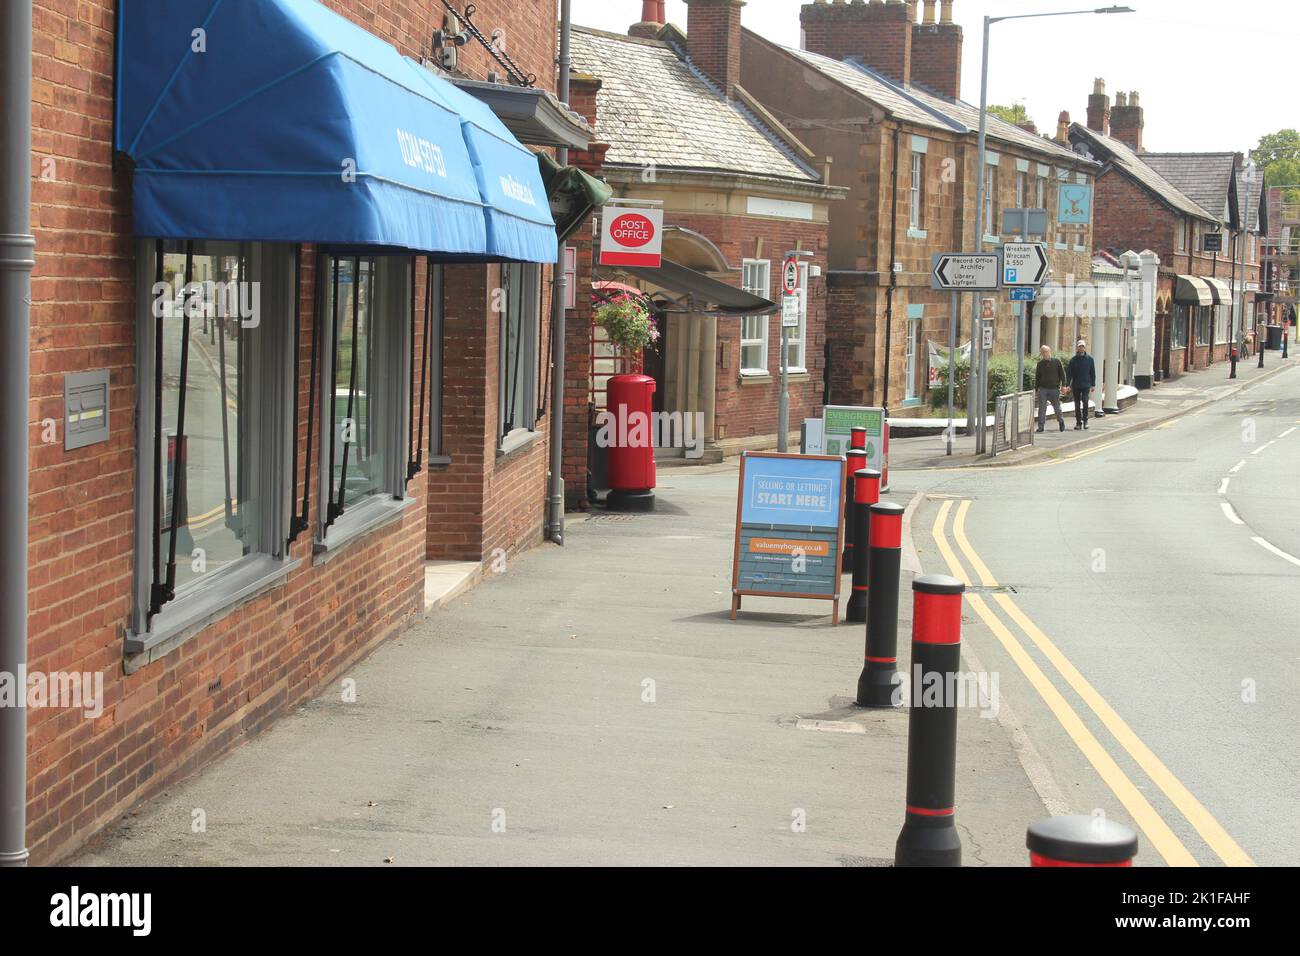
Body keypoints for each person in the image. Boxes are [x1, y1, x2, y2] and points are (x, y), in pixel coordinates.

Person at [1033, 345, 1066, 432]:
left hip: (1054, 389)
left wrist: (1064, 385)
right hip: (1043, 389)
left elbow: (1062, 374)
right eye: (1042, 352)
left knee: (1057, 408)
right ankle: (1041, 426)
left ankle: (1061, 421)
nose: (1044, 354)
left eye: (1045, 352)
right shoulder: (1040, 364)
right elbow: (1037, 377)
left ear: (1049, 352)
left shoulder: (1056, 362)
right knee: (1042, 408)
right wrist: (1036, 389)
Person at [1065, 339, 1096, 430]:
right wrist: (1068, 385)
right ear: (1077, 348)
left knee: (1085, 402)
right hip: (1076, 385)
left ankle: (1085, 421)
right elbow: (1069, 373)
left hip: (1086, 385)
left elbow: (1092, 373)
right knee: (1077, 404)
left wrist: (1093, 384)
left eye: (1082, 346)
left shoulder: (1090, 359)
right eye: (1079, 347)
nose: (1081, 348)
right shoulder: (1073, 360)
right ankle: (1078, 422)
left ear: (1084, 348)